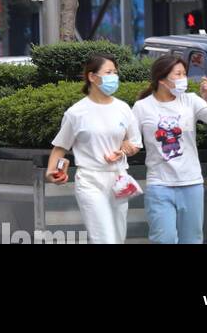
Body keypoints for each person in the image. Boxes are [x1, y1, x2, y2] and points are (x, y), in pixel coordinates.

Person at [46, 55, 142, 244]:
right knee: (104, 238)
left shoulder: (123, 108)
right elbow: (60, 146)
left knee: (117, 237)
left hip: (119, 179)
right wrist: (51, 171)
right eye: (108, 72)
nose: (113, 76)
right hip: (90, 180)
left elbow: (135, 143)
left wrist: (124, 150)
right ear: (92, 77)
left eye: (115, 72)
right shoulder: (76, 112)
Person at [133, 55, 207, 244]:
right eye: (178, 74)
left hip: (191, 183)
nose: (183, 78)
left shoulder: (190, 100)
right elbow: (132, 141)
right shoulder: (142, 107)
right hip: (159, 184)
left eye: (184, 73)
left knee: (192, 239)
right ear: (161, 79)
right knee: (163, 239)